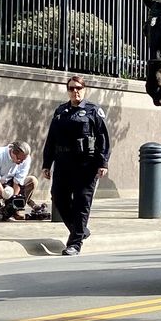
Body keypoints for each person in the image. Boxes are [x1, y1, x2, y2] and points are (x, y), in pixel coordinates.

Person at [42, 76, 112, 255]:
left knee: (82, 202)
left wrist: (103, 162)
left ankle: (74, 244)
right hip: (63, 162)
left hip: (86, 164)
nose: (75, 91)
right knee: (58, 197)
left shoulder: (93, 111)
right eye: (71, 88)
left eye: (78, 88)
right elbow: (51, 139)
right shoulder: (61, 111)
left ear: (84, 89)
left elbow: (103, 139)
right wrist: (46, 164)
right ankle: (80, 231)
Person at [0, 140, 36, 220]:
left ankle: (15, 208)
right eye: (19, 159)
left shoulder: (25, 159)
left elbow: (18, 181)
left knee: (32, 180)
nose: (21, 162)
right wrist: (5, 195)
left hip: (10, 182)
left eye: (23, 160)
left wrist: (13, 199)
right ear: (13, 152)